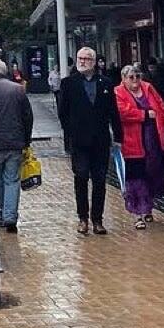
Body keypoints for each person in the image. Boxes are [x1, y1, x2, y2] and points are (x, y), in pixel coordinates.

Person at [55, 45, 116, 235]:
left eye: (86, 59)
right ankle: (82, 218)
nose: (82, 62)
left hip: (100, 140)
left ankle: (97, 219)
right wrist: (70, 133)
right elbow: (63, 112)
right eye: (80, 58)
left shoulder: (105, 83)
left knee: (99, 180)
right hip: (79, 140)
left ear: (94, 61)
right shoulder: (69, 83)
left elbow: (113, 112)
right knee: (81, 177)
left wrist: (118, 136)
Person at [113, 61, 164, 228]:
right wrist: (144, 115)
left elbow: (162, 109)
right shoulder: (118, 92)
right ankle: (138, 214)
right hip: (132, 141)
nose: (135, 80)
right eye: (131, 77)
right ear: (123, 79)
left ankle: (148, 208)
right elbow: (122, 112)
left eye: (137, 76)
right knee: (136, 178)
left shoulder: (148, 88)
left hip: (153, 140)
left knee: (152, 173)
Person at [0, 57, 34, 233]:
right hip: (14, 143)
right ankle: (10, 216)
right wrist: (26, 139)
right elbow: (27, 117)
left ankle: (2, 212)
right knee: (12, 180)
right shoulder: (18, 90)